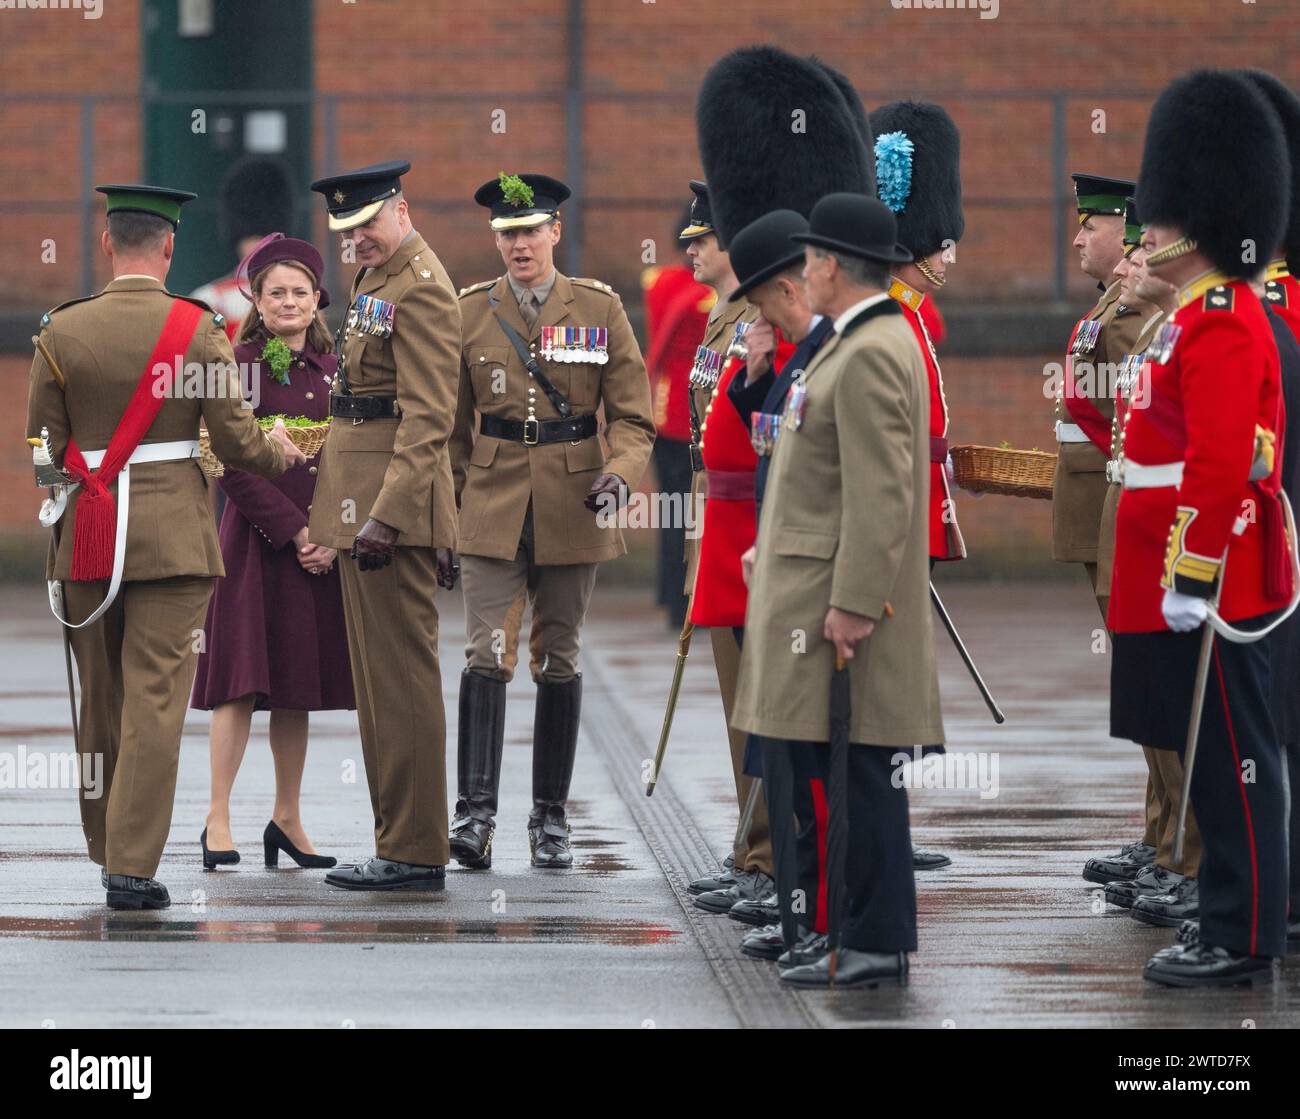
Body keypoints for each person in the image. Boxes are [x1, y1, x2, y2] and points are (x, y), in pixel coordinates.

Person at [26, 183, 303, 909]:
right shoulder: (198, 326)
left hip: (86, 537)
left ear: (108, 242)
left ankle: (104, 840)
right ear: (171, 246)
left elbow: (44, 450)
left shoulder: (60, 329)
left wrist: (86, 475)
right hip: (172, 541)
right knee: (155, 699)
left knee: (102, 700)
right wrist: (278, 451)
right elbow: (238, 441)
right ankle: (132, 864)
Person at [1111, 69, 1293, 987]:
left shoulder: (1223, 320)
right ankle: (1229, 913)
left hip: (1220, 580)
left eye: (1163, 213)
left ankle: (1243, 929)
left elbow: (1221, 462)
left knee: (1236, 759)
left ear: (1202, 218)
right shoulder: (1188, 321)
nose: (1149, 228)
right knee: (1215, 757)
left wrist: (1191, 571)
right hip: (1189, 573)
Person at [734, 192, 941, 989]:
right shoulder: (848, 345)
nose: (805, 270)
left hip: (848, 613)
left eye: (812, 258)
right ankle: (850, 931)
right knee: (840, 770)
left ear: (829, 265)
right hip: (815, 594)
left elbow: (883, 493)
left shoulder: (873, 349)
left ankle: (875, 938)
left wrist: (853, 601)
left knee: (864, 778)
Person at [447, 172, 654, 870]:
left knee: (558, 656)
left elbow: (632, 416)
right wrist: (450, 511)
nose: (519, 245)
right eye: (507, 234)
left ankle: (551, 819)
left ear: (555, 232)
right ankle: (474, 815)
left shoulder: (597, 307)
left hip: (574, 498)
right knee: (484, 653)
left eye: (530, 231)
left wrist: (620, 475)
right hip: (493, 496)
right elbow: (448, 428)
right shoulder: (470, 310)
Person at [307, 160, 462, 892]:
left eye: (368, 222)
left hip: (386, 517)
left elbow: (429, 418)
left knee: (401, 681)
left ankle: (415, 846)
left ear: (401, 207)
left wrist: (389, 517)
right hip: (358, 504)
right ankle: (397, 836)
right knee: (379, 684)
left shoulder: (422, 287)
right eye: (347, 228)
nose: (358, 237)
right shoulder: (378, 280)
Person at [191, 235, 353, 872]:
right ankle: (218, 817)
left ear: (319, 300)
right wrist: (293, 531)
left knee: (295, 686)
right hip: (255, 544)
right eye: (275, 292)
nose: (289, 302)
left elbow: (350, 460)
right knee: (236, 683)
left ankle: (287, 817)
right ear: (254, 300)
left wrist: (330, 533)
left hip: (320, 548)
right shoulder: (237, 363)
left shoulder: (337, 368)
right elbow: (226, 461)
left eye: (300, 292)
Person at [721, 208, 835, 958]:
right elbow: (774, 436)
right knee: (785, 761)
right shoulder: (801, 357)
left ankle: (824, 918)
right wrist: (757, 377)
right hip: (783, 573)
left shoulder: (835, 351)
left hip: (815, 583)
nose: (756, 318)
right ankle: (802, 911)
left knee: (816, 776)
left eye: (760, 302)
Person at [1093, 200, 1205, 928]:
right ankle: (1171, 847)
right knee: (1156, 710)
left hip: (1176, 542)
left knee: (1186, 714)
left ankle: (1192, 860)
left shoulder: (1206, 321)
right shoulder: (1169, 327)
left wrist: (1191, 566)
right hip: (1140, 532)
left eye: (1147, 245)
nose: (1138, 254)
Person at [672, 180, 774, 908]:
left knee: (761, 697)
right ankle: (752, 842)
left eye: (701, 238)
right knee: (738, 699)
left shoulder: (756, 319)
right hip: (716, 519)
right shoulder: (720, 320)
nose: (689, 248)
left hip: (750, 524)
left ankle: (769, 851)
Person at [1056, 172, 1160, 886]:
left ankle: (1172, 837)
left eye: (1089, 225)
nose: (1077, 237)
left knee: (1150, 678)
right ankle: (1162, 831)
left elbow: (1133, 412)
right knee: (1140, 678)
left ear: (1123, 231)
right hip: (1101, 501)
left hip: (1120, 501)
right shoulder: (1109, 307)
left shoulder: (1130, 313)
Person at [642, 216, 710, 629]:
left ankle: (671, 595)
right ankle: (686, 601)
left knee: (672, 511)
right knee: (695, 516)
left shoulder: (659, 282)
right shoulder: (706, 294)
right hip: (695, 416)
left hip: (663, 411)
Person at [192, 156, 294, 342]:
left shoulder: (300, 298)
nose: (258, 246)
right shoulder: (211, 299)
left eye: (264, 236)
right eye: (251, 238)